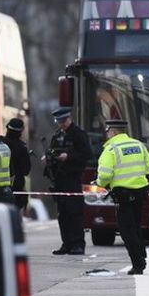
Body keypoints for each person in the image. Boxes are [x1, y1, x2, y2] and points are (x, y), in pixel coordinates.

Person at [94, 119, 149, 275]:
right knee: (136, 226)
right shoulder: (139, 145)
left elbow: (105, 175)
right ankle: (142, 254)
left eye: (107, 131)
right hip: (140, 192)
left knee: (127, 231)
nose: (107, 134)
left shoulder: (111, 150)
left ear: (112, 131)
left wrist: (98, 182)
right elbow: (148, 168)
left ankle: (138, 264)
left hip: (123, 195)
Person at [45, 107, 91, 255]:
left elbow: (86, 154)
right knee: (63, 213)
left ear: (69, 118)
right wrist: (49, 158)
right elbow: (52, 150)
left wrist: (69, 157)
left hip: (72, 177)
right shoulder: (57, 135)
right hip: (59, 179)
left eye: (64, 121)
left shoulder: (78, 134)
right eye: (59, 121)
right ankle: (67, 243)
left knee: (74, 212)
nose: (62, 124)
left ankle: (78, 244)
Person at [4, 117, 31, 212]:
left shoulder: (0, 144)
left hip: (0, 190)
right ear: (21, 132)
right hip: (17, 190)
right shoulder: (22, 148)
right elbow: (26, 170)